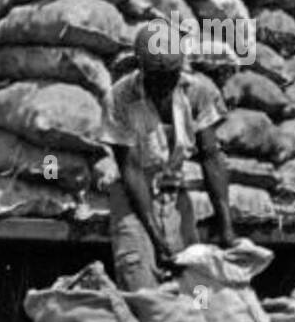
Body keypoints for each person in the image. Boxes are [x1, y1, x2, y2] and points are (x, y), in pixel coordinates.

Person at [101, 21, 236, 290]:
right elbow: (131, 169)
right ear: (140, 68)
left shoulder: (198, 92)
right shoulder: (120, 98)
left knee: (196, 287)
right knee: (143, 285)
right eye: (156, 78)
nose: (164, 85)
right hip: (132, 201)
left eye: (171, 76)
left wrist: (226, 226)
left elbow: (210, 157)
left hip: (175, 195)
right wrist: (155, 236)